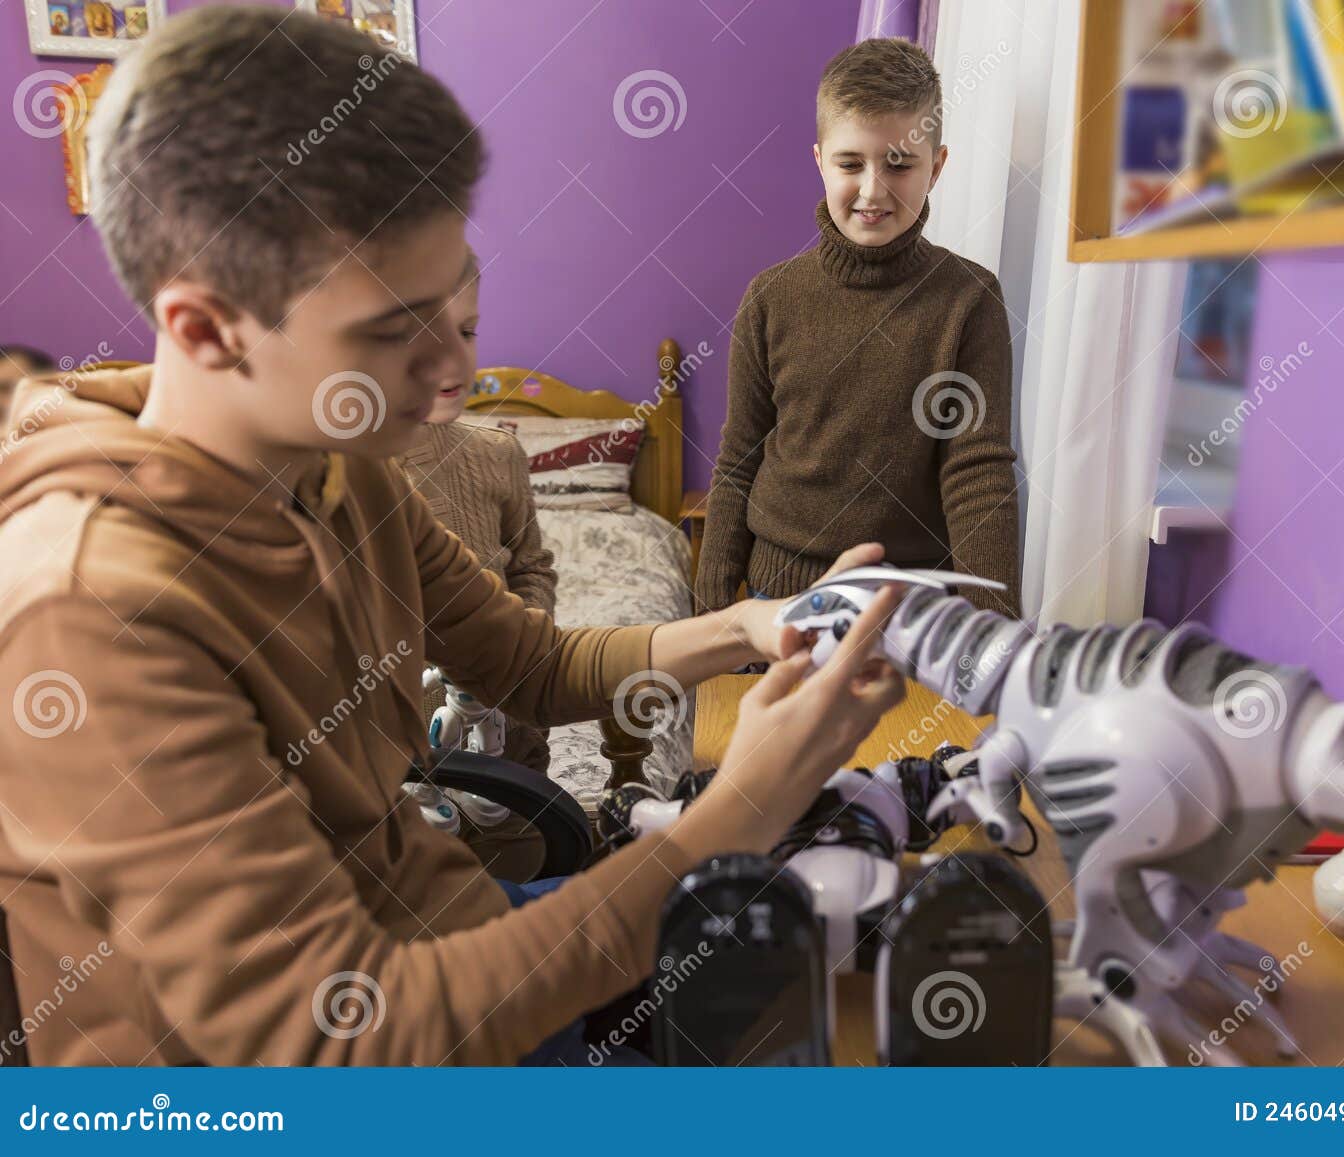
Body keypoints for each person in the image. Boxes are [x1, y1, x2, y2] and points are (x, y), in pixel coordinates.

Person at [0, 6, 905, 1066]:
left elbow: (531, 658)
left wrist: (752, 625)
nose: (451, 380)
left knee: (798, 975)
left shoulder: (342, 466)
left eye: (455, 312)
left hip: (437, 929)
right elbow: (346, 1033)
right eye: (391, 331)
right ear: (205, 327)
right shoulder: (88, 609)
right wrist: (744, 801)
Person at [695, 37, 1020, 618]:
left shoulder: (970, 300)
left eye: (899, 163)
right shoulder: (771, 298)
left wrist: (993, 636)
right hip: (783, 601)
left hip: (919, 609)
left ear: (936, 167)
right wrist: (713, 616)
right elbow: (741, 455)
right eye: (851, 164)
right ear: (820, 161)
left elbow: (979, 475)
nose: (873, 190)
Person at [399, 253, 555, 883]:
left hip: (505, 718)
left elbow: (532, 567)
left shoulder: (499, 453)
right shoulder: (330, 474)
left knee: (524, 877)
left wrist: (517, 646)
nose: (455, 361)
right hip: (398, 740)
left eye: (466, 333)